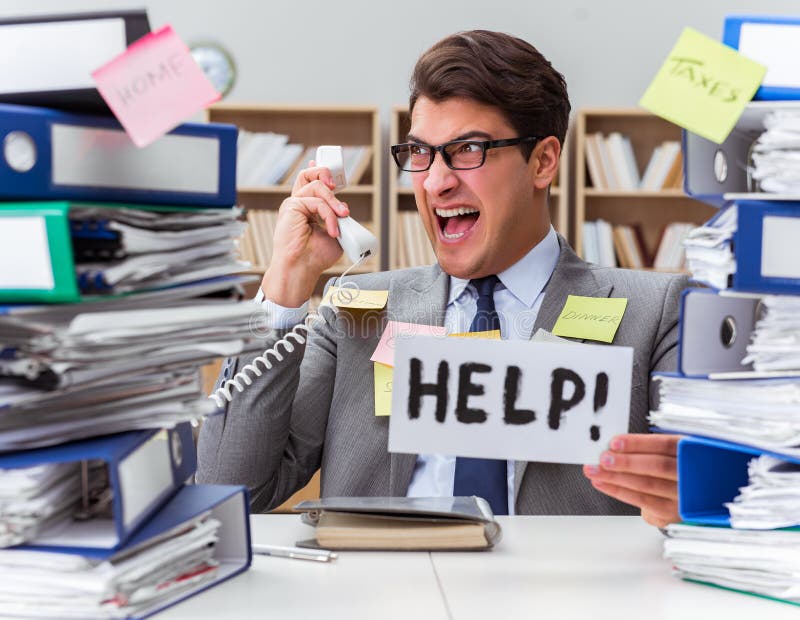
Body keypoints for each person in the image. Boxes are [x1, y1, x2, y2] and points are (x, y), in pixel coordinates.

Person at [197, 30, 685, 528]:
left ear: (542, 162)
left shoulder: (656, 311)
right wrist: (285, 282)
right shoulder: (356, 310)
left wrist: (688, 496)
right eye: (420, 152)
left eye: (468, 149)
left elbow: (700, 496)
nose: (435, 182)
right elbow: (230, 489)